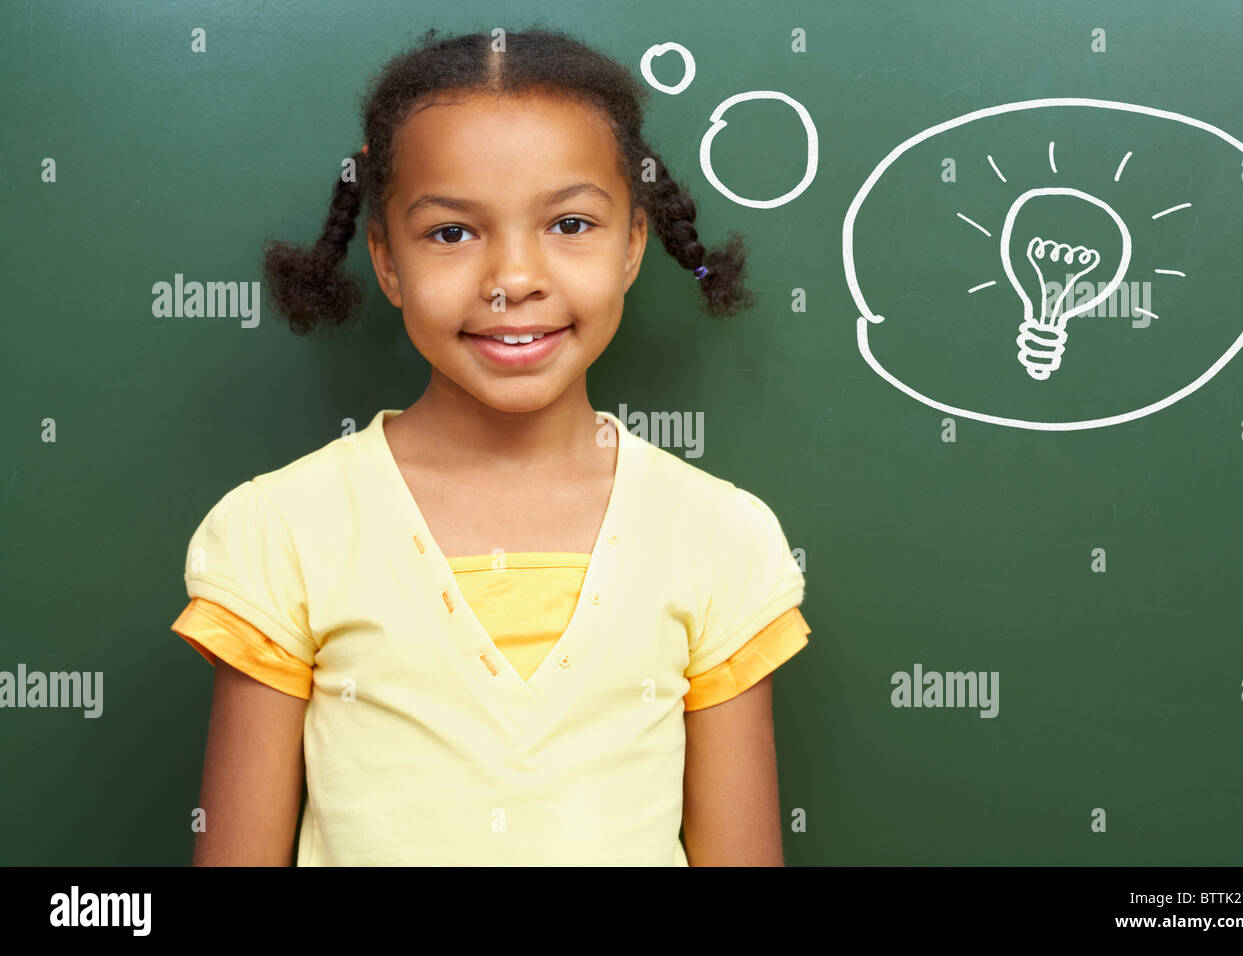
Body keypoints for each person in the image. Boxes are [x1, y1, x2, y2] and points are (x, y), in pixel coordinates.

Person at [172, 25, 810, 866]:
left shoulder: (720, 537)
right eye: (451, 234)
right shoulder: (283, 532)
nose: (514, 277)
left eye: (570, 223)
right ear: (387, 262)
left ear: (632, 246)